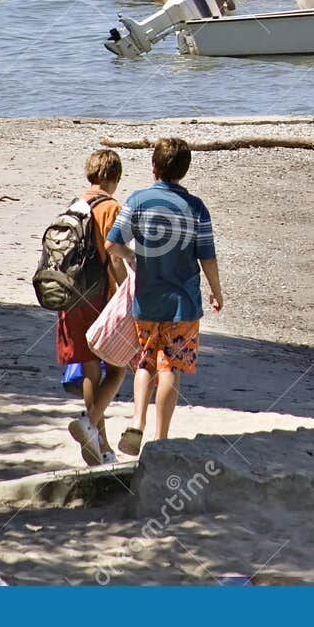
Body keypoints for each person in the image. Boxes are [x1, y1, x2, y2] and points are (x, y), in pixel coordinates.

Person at [106, 138, 223, 453]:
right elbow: (207, 257)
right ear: (184, 171)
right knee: (169, 366)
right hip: (182, 304)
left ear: (153, 166)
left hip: (146, 299)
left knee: (144, 362)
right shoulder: (196, 207)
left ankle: (136, 422)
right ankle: (161, 438)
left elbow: (111, 244)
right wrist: (216, 290)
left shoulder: (137, 200)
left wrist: (131, 256)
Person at [60, 149, 130, 466]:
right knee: (117, 368)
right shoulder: (111, 207)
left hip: (68, 293)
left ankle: (99, 443)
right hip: (97, 295)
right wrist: (128, 286)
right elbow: (114, 254)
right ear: (113, 178)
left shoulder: (75, 204)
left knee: (90, 367)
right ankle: (91, 426)